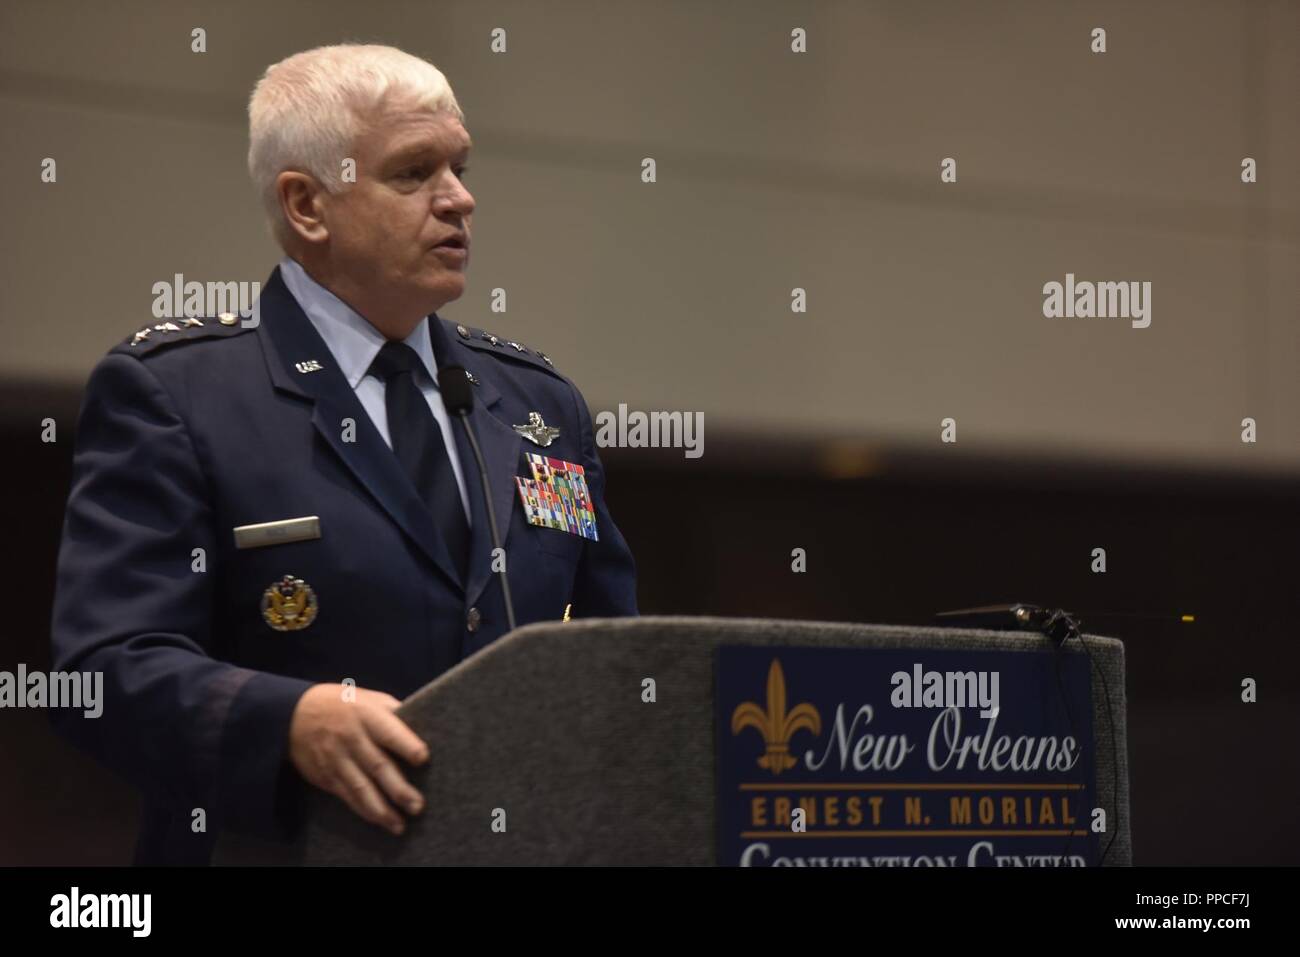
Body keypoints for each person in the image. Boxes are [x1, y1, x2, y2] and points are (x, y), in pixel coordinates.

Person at [48, 43, 638, 865]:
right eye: (414, 173)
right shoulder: (179, 397)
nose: (460, 200)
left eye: (461, 168)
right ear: (307, 206)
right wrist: (284, 721)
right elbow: (102, 671)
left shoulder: (537, 404)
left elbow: (619, 658)